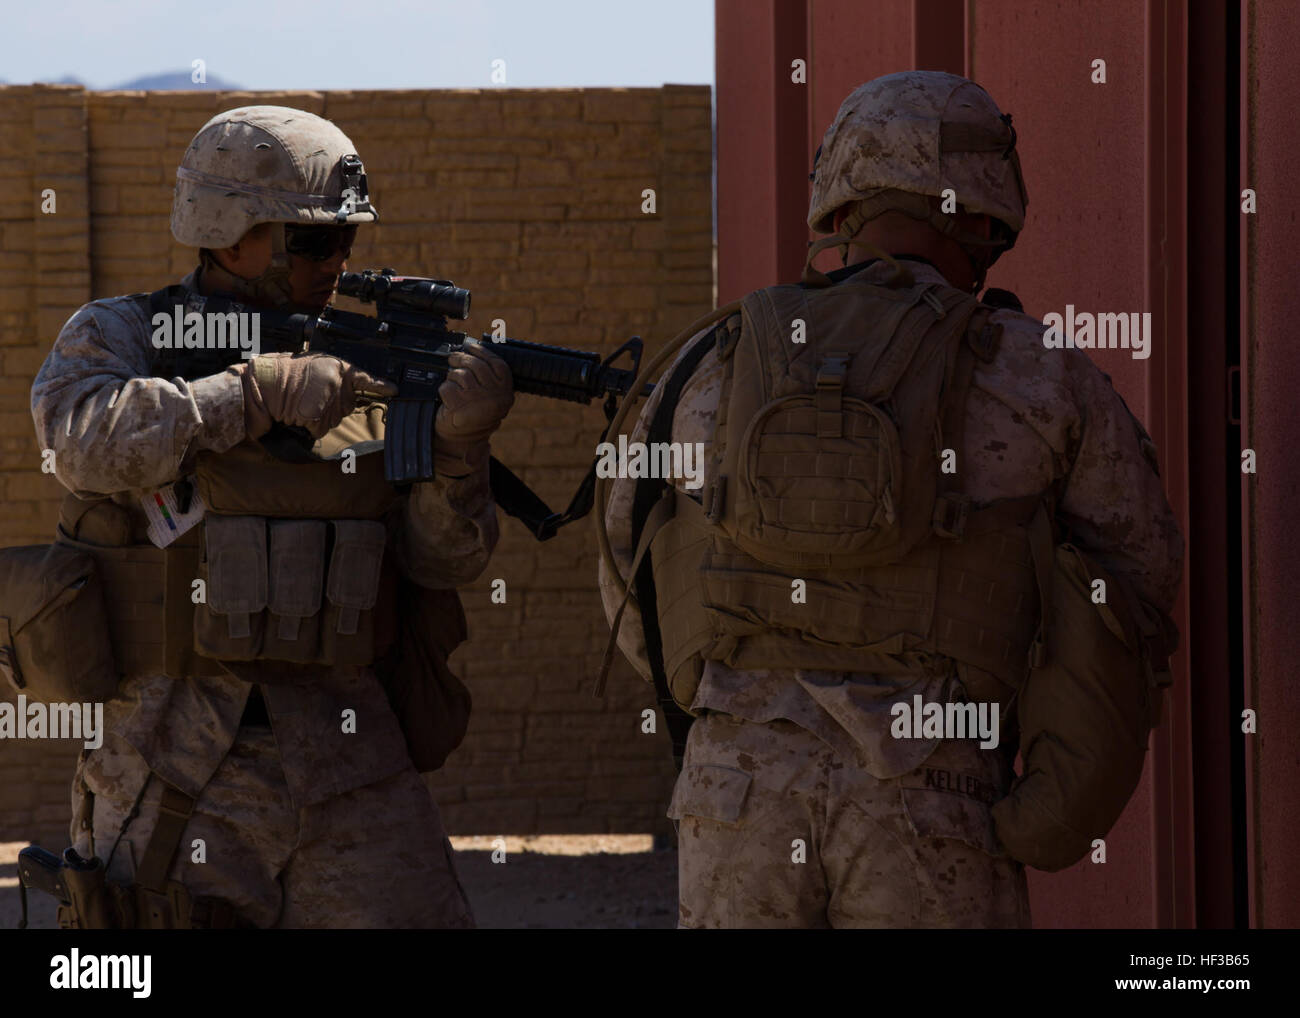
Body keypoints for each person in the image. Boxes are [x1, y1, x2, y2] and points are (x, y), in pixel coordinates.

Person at [598, 71, 1183, 928]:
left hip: (735, 792)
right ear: (984, 217)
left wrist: (736, 708)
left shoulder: (713, 357)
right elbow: (1136, 586)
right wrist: (1054, 769)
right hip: (931, 792)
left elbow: (627, 565)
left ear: (839, 210)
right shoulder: (1042, 371)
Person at [30, 105, 514, 928]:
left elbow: (442, 564)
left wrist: (459, 456)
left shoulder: (360, 364)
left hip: (349, 761)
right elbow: (78, 439)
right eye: (314, 241)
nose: (338, 262)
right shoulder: (128, 333)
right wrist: (252, 394)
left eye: (346, 243)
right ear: (228, 237)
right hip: (169, 766)